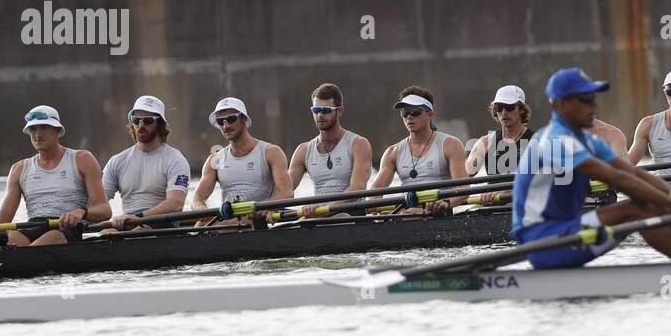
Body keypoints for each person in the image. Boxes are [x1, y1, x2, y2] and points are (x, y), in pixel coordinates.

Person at [511, 68, 671, 269]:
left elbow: (631, 172)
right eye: (586, 99)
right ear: (562, 105)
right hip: (542, 243)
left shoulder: (587, 141)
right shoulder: (556, 139)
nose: (594, 105)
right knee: (637, 208)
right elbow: (618, 180)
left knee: (649, 204)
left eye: (593, 97)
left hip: (566, 231)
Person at [0, 105, 110, 245]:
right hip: (32, 227)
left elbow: (104, 210)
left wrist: (81, 212)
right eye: (33, 129)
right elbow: (2, 220)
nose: (38, 134)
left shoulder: (82, 159)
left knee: (30, 251)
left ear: (58, 131)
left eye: (44, 128)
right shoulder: (18, 169)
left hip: (66, 227)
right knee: (7, 241)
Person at [191, 97, 291, 222]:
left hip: (258, 222)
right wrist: (200, 208)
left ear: (244, 118)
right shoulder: (215, 159)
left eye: (231, 119)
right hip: (229, 223)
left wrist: (264, 206)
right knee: (199, 226)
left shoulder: (271, 152)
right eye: (221, 121)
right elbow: (197, 198)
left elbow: (287, 192)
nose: (226, 126)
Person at [371, 87, 468, 215]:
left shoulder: (451, 145)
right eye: (405, 112)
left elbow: (464, 190)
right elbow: (374, 193)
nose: (409, 117)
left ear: (430, 114)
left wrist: (447, 202)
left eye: (415, 112)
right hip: (406, 213)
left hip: (438, 215)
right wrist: (375, 209)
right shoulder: (392, 152)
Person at [101, 95, 190, 230]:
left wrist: (139, 217)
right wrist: (78, 213)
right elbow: (98, 203)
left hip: (164, 224)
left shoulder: (175, 159)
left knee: (141, 230)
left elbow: (175, 204)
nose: (141, 126)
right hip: (129, 223)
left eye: (147, 121)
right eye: (136, 120)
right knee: (106, 233)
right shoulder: (117, 161)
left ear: (160, 123)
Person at [287, 83, 373, 217]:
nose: (320, 115)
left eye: (326, 110)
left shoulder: (358, 144)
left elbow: (358, 188)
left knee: (340, 217)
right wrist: (267, 209)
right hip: (320, 216)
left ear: (339, 111)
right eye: (316, 110)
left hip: (352, 214)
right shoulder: (303, 150)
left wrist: (323, 208)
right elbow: (285, 190)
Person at [465, 85, 535, 177]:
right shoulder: (486, 142)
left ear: (521, 109)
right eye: (499, 107)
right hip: (494, 191)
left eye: (509, 107)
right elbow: (464, 174)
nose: (504, 112)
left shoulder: (537, 141)